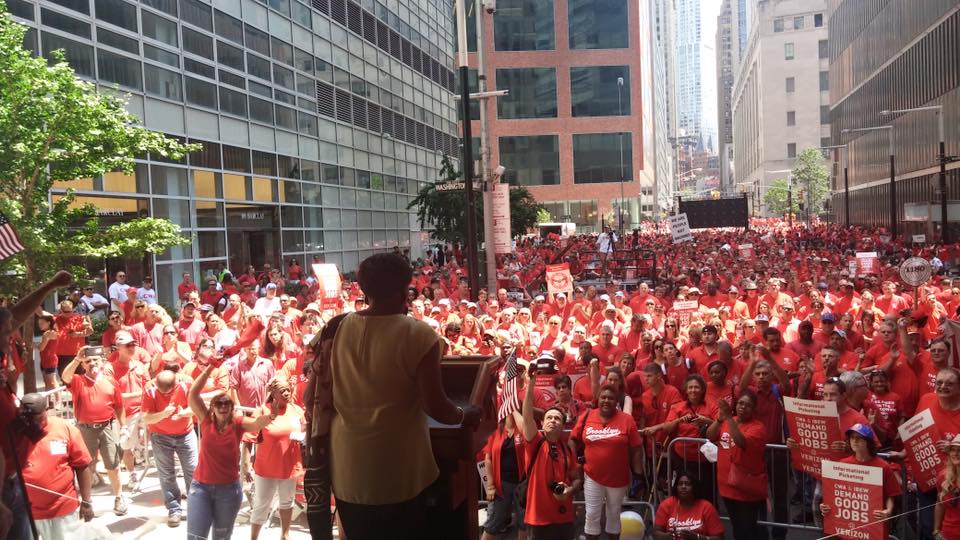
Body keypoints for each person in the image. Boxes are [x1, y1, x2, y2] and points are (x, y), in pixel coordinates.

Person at [330, 253, 480, 539]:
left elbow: (320, 394)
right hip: (397, 470)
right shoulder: (419, 335)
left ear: (364, 289)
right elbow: (436, 406)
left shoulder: (336, 328)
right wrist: (465, 414)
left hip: (348, 466)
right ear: (404, 289)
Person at [8, 393, 94, 540]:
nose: (36, 424)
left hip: (62, 510)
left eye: (40, 419)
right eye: (31, 420)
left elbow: (82, 465)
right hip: (27, 513)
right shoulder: (14, 433)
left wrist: (86, 502)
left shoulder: (65, 428)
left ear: (46, 411)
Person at [570, 384, 643, 540]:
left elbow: (636, 449)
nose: (606, 401)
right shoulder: (588, 416)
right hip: (592, 476)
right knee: (592, 515)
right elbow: (573, 440)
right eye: (603, 397)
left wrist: (638, 474)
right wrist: (574, 463)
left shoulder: (627, 420)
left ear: (616, 401)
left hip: (618, 478)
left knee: (614, 515)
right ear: (598, 399)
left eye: (610, 398)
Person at [61, 345, 128, 516]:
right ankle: (87, 502)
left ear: (102, 361)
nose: (92, 363)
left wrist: (124, 426)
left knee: (113, 465)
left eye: (95, 360)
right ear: (83, 364)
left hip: (108, 427)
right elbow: (65, 376)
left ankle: (119, 497)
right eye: (88, 361)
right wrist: (77, 358)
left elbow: (119, 406)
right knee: (87, 467)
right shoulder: (78, 381)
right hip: (85, 429)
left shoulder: (110, 381)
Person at [520, 363, 581, 540]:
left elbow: (577, 478)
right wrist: (531, 383)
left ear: (563, 426)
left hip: (564, 517)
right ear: (542, 423)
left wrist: (570, 490)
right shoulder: (535, 443)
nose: (553, 421)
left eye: (557, 418)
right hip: (538, 519)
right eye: (549, 418)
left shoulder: (567, 449)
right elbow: (527, 415)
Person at [706, 390, 768, 540]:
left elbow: (740, 442)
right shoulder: (728, 421)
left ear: (754, 410)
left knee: (748, 529)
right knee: (736, 527)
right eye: (740, 403)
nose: (743, 407)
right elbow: (710, 435)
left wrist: (728, 418)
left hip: (745, 488)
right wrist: (720, 420)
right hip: (726, 485)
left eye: (748, 405)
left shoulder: (757, 427)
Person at [820, 423, 899, 538]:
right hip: (848, 525)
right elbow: (835, 493)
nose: (854, 441)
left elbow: (891, 494)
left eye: (859, 438)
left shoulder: (883, 466)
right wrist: (825, 506)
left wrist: (888, 511)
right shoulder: (842, 464)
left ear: (868, 442)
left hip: (873, 525)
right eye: (852, 438)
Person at [250, 377, 305, 540]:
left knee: (287, 502)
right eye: (282, 391)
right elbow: (249, 436)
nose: (287, 393)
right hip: (266, 467)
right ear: (273, 393)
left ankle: (285, 535)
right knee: (261, 504)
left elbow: (304, 431)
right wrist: (245, 464)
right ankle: (253, 537)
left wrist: (302, 436)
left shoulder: (297, 410)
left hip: (289, 465)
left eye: (288, 389)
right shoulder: (262, 411)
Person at [142, 369, 196, 527]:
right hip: (160, 436)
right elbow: (146, 418)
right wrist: (163, 414)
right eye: (161, 392)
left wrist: (183, 413)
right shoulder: (149, 389)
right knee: (166, 474)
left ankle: (196, 507)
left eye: (168, 393)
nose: (165, 396)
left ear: (176, 384)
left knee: (193, 470)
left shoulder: (186, 384)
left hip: (185, 434)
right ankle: (174, 509)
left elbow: (196, 409)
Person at [481, 411, 526, 540]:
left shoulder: (523, 428)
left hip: (522, 484)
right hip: (501, 485)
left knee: (524, 522)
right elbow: (488, 459)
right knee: (493, 522)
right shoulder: (496, 431)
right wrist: (490, 486)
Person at [652, 473, 725, 540]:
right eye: (680, 484)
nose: (683, 487)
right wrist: (670, 536)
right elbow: (656, 534)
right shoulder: (667, 505)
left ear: (694, 487)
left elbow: (719, 538)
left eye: (687, 484)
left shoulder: (706, 507)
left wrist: (697, 537)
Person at [935, 434, 960, 540]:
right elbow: (939, 504)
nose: (956, 454)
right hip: (948, 533)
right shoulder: (943, 476)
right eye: (952, 450)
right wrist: (936, 531)